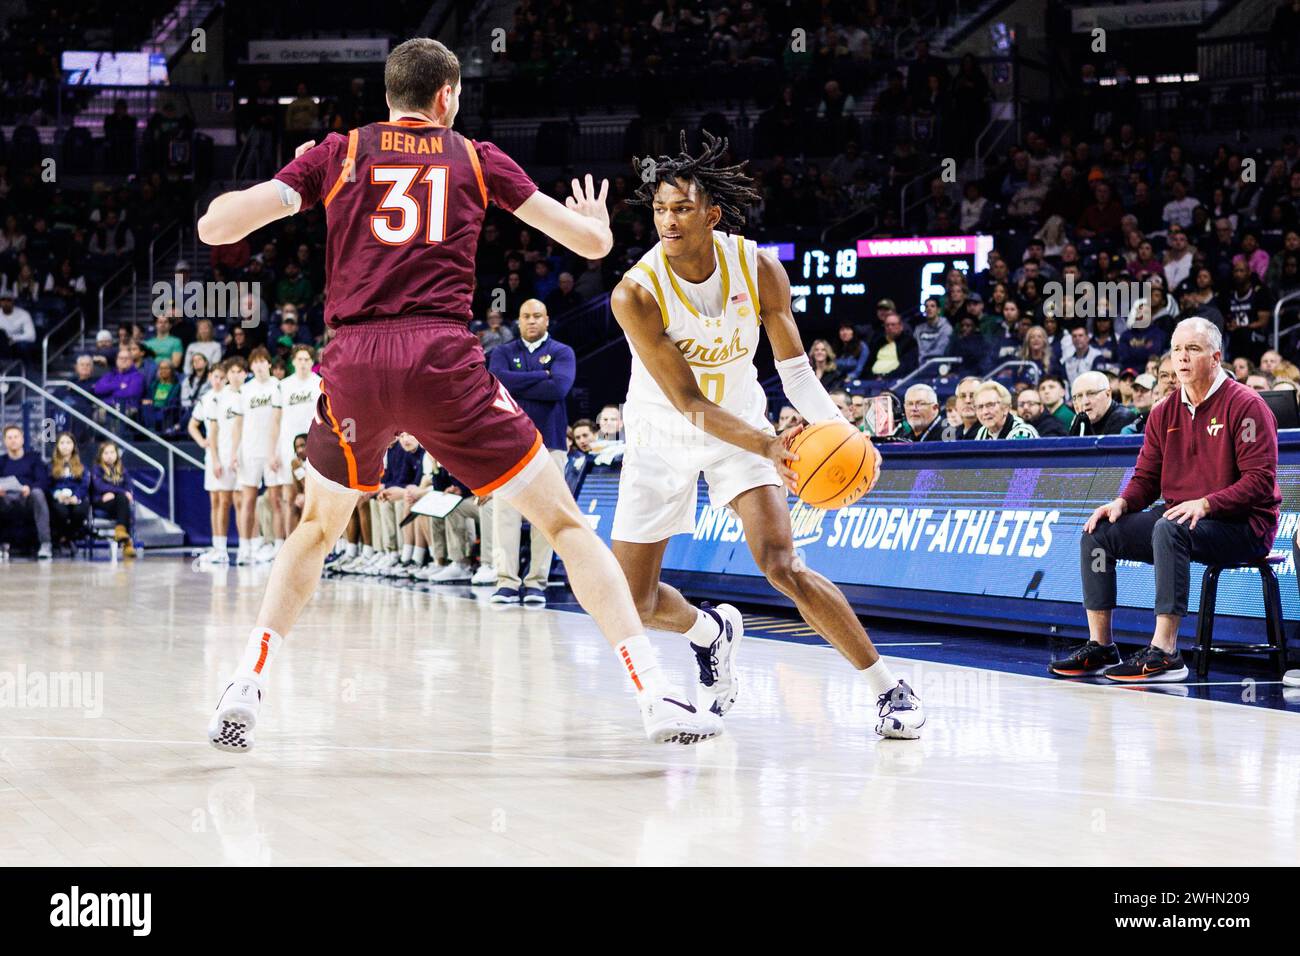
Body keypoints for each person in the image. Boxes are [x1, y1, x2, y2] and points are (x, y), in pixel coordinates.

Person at [197, 38, 718, 749]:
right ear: (446, 97)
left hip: (356, 363)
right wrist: (595, 227)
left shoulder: (340, 151)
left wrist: (255, 199)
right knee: (564, 524)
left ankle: (247, 681)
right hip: (442, 357)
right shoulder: (474, 158)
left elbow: (217, 227)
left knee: (316, 530)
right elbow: (590, 247)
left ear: (392, 95)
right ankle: (655, 692)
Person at [609, 130, 923, 738]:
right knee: (635, 603)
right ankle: (711, 632)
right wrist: (770, 445)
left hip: (744, 427)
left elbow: (797, 371)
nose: (668, 221)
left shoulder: (756, 267)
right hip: (663, 435)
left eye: (681, 208)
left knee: (782, 564)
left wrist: (842, 431)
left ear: (712, 214)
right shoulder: (636, 293)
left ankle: (888, 688)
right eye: (659, 209)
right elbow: (688, 402)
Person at [1052, 318, 1280, 682]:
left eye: (1193, 349)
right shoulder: (1163, 412)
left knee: (1168, 526)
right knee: (1098, 533)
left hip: (1243, 526)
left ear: (1216, 357)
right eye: (1177, 350)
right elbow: (1146, 478)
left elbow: (1259, 483)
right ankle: (1102, 645)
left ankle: (1166, 651)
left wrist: (1205, 504)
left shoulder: (1246, 406)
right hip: (1182, 519)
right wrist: (1122, 503)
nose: (1182, 358)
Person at [487, 298, 575, 605]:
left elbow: (560, 389)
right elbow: (496, 383)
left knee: (547, 515)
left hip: (550, 444)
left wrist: (519, 383)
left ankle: (537, 581)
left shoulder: (563, 352)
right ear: (519, 321)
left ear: (547, 319)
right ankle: (506, 582)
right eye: (526, 316)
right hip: (508, 444)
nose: (532, 321)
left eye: (538, 316)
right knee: (505, 514)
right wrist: (542, 376)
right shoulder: (502, 352)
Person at [227, 348, 283, 565]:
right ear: (251, 367)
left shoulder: (278, 387)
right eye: (256, 362)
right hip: (249, 451)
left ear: (269, 364)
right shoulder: (246, 390)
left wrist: (277, 451)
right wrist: (233, 452)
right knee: (247, 500)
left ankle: (278, 546)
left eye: (263, 362)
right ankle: (245, 547)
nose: (259, 366)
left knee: (276, 501)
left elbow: (280, 422)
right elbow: (238, 425)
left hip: (273, 452)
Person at [265, 345, 321, 542]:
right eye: (300, 359)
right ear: (294, 362)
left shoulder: (319, 384)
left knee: (313, 499)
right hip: (288, 448)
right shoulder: (284, 386)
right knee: (289, 499)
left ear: (312, 362)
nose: (303, 363)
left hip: (315, 448)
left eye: (307, 359)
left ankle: (310, 544)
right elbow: (275, 421)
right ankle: (288, 543)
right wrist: (272, 453)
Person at [0, 424, 52, 558]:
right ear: (5, 441)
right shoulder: (2, 461)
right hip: (6, 499)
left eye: (16, 437)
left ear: (22, 439)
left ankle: (45, 544)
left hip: (27, 499)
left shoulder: (34, 458)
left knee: (38, 493)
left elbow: (43, 481)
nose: (13, 440)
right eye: (9, 437)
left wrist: (30, 487)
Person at [89, 441, 136, 558]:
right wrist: (122, 491)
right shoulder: (97, 469)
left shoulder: (122, 470)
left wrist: (122, 492)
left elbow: (129, 485)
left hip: (118, 503)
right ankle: (127, 544)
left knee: (123, 501)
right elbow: (100, 487)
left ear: (116, 454)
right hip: (101, 501)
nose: (109, 455)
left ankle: (121, 532)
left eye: (112, 452)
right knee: (123, 500)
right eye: (106, 453)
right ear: (101, 455)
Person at [48, 431, 91, 547]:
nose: (65, 446)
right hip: (58, 498)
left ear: (73, 446)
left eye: (68, 442)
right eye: (62, 443)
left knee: (79, 511)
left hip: (76, 498)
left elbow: (84, 484)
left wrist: (76, 497)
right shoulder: (50, 465)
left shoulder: (82, 466)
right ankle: (65, 538)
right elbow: (49, 485)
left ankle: (67, 537)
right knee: (61, 512)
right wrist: (57, 495)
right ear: (57, 446)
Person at [1068, 370, 1138, 435]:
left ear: (1108, 394)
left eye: (1091, 393)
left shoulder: (1123, 417)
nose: (1085, 402)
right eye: (1079, 396)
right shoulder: (1079, 421)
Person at [972, 381, 1039, 439]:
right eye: (980, 407)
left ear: (1005, 409)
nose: (985, 412)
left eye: (990, 405)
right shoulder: (982, 432)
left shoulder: (1022, 433)